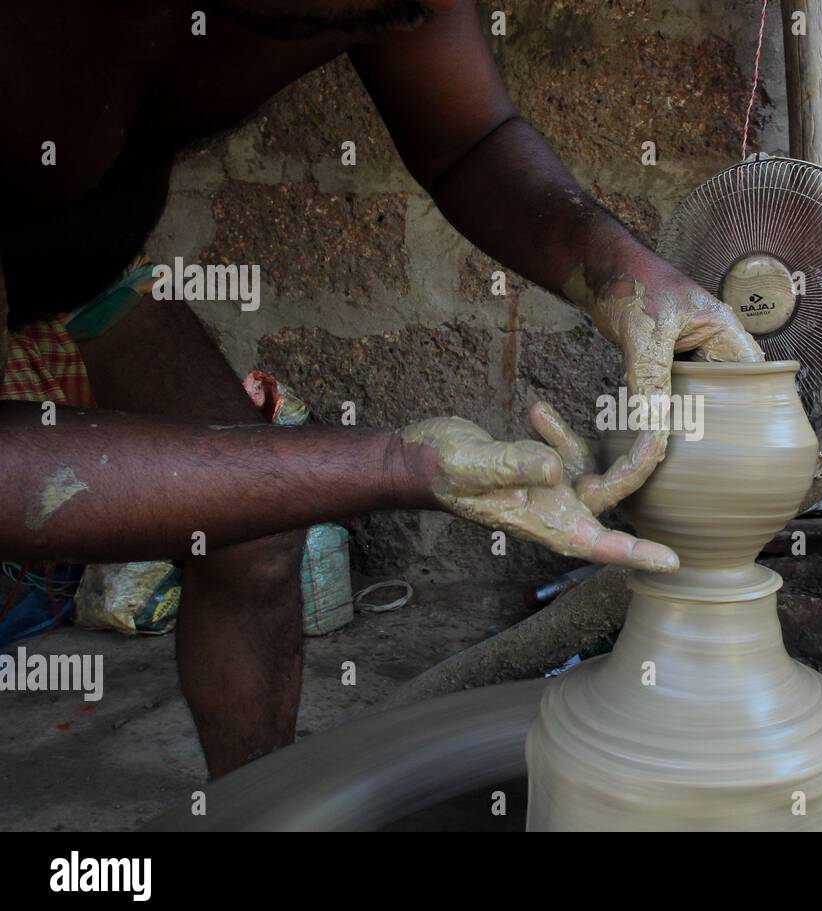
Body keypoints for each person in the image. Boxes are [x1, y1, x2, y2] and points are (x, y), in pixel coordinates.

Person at [0, 0, 762, 777]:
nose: (417, 22)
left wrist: (624, 272)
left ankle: (255, 807)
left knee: (255, 535)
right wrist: (399, 466)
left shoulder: (399, 5)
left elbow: (470, 139)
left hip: (83, 255)